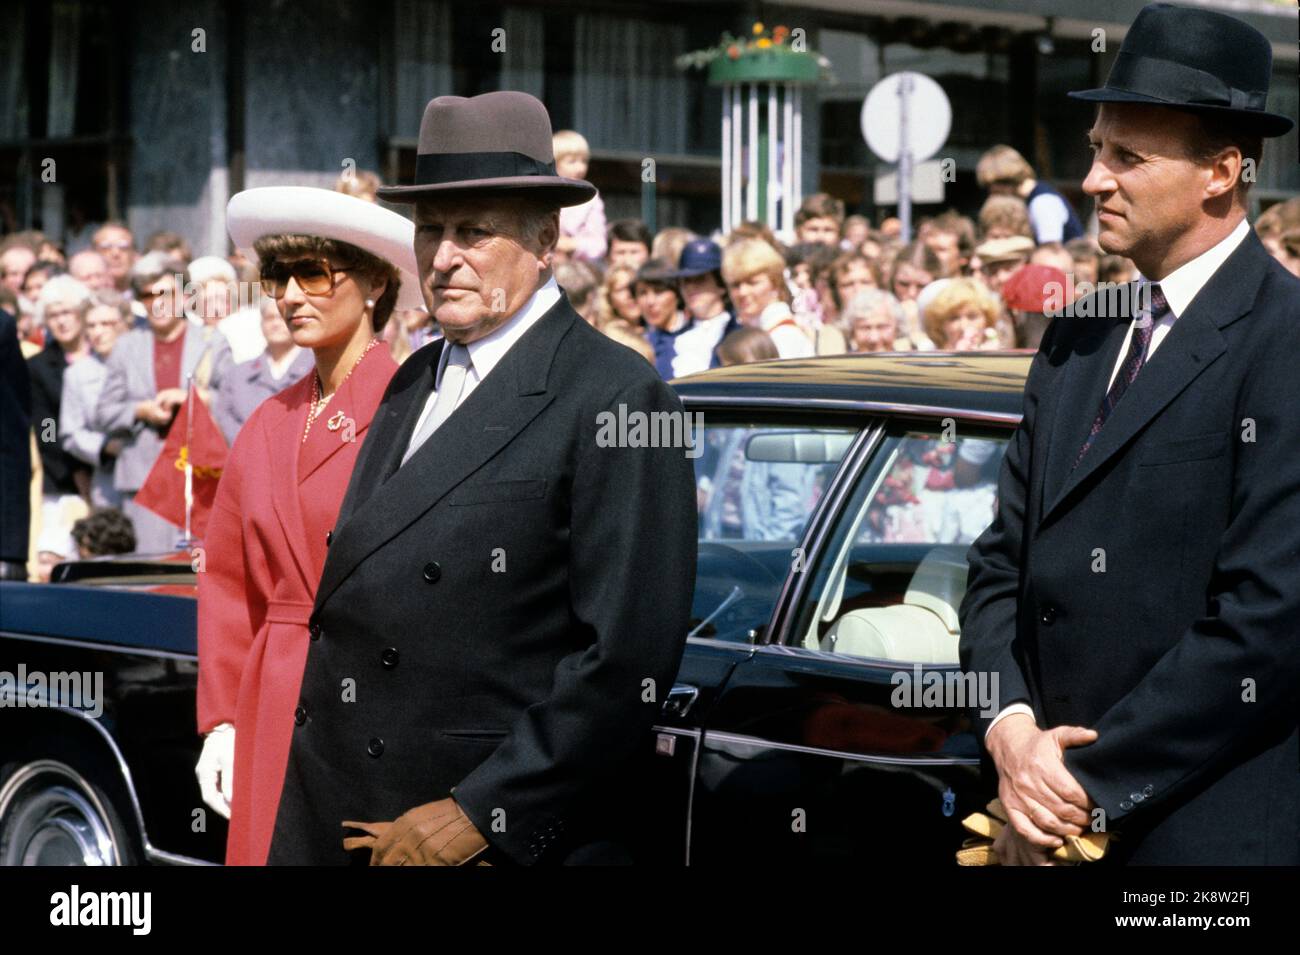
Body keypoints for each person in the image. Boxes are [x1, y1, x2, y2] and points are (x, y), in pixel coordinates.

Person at [267, 90, 697, 867]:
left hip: (485, 836)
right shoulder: (413, 377)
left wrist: (484, 811)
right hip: (343, 802)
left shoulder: (617, 393)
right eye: (431, 228)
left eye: (473, 231)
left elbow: (626, 657)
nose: (441, 256)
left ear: (544, 242)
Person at [960, 2, 1299, 866]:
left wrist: (1078, 788)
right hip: (1030, 816)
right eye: (1095, 149)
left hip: (1201, 841)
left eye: (1127, 157)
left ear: (1221, 172)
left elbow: (1267, 621)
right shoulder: (1079, 335)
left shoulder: (1283, 338)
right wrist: (1008, 729)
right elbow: (1002, 563)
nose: (1094, 179)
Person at [195, 186, 414, 866]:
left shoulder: (416, 410)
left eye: (314, 273)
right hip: (273, 688)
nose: (290, 295)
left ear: (376, 282)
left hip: (377, 699)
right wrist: (224, 718)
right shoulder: (267, 420)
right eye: (277, 277)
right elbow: (228, 582)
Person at [91, 252, 217, 552]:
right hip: (144, 474)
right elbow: (104, 412)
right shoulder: (126, 346)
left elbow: (233, 404)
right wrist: (140, 410)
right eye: (147, 296)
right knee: (149, 572)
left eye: (166, 293)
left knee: (198, 576)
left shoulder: (213, 340)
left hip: (199, 473)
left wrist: (194, 399)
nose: (157, 303)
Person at [28, 276, 93, 542]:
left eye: (67, 312)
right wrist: (76, 473)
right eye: (53, 315)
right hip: (63, 481)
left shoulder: (106, 353)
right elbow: (47, 430)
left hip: (110, 471)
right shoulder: (39, 366)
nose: (61, 321)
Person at [211, 294, 314, 445]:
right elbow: (224, 416)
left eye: (282, 317)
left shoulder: (316, 370)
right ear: (261, 324)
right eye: (270, 318)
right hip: (247, 458)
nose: (276, 324)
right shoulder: (237, 374)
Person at [59, 290, 131, 508]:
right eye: (91, 326)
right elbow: (51, 427)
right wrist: (105, 446)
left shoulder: (144, 361)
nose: (98, 332)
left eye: (106, 324)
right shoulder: (74, 373)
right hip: (101, 479)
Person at [722, 239, 814, 359]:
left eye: (752, 283)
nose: (742, 292)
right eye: (735, 285)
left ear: (775, 283)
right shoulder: (742, 329)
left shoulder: (785, 335)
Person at [977, 144, 1085, 244]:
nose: (993, 196)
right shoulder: (1033, 198)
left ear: (1003, 181)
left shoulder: (1042, 202)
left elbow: (1050, 248)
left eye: (995, 191)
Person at [672, 239, 740, 373]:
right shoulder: (671, 339)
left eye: (700, 279)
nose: (690, 287)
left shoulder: (739, 333)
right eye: (685, 281)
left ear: (721, 285)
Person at [0, 306, 32, 581]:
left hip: (43, 448)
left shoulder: (37, 358)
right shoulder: (47, 360)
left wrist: (50, 443)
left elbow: (46, 420)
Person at [553, 130, 606, 263]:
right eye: (572, 161)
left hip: (577, 269)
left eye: (583, 161)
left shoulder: (591, 198)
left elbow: (598, 245)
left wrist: (571, 245)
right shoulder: (543, 194)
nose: (580, 168)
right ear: (555, 163)